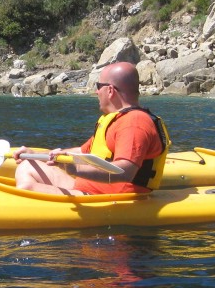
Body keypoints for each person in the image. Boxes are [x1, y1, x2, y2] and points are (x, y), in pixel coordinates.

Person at [12, 62, 170, 195]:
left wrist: (75, 169)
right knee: (27, 166)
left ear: (110, 90)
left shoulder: (134, 122)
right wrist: (36, 155)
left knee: (26, 188)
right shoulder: (116, 120)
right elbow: (81, 152)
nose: (96, 91)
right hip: (89, 189)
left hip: (111, 198)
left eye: (98, 86)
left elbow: (125, 172)